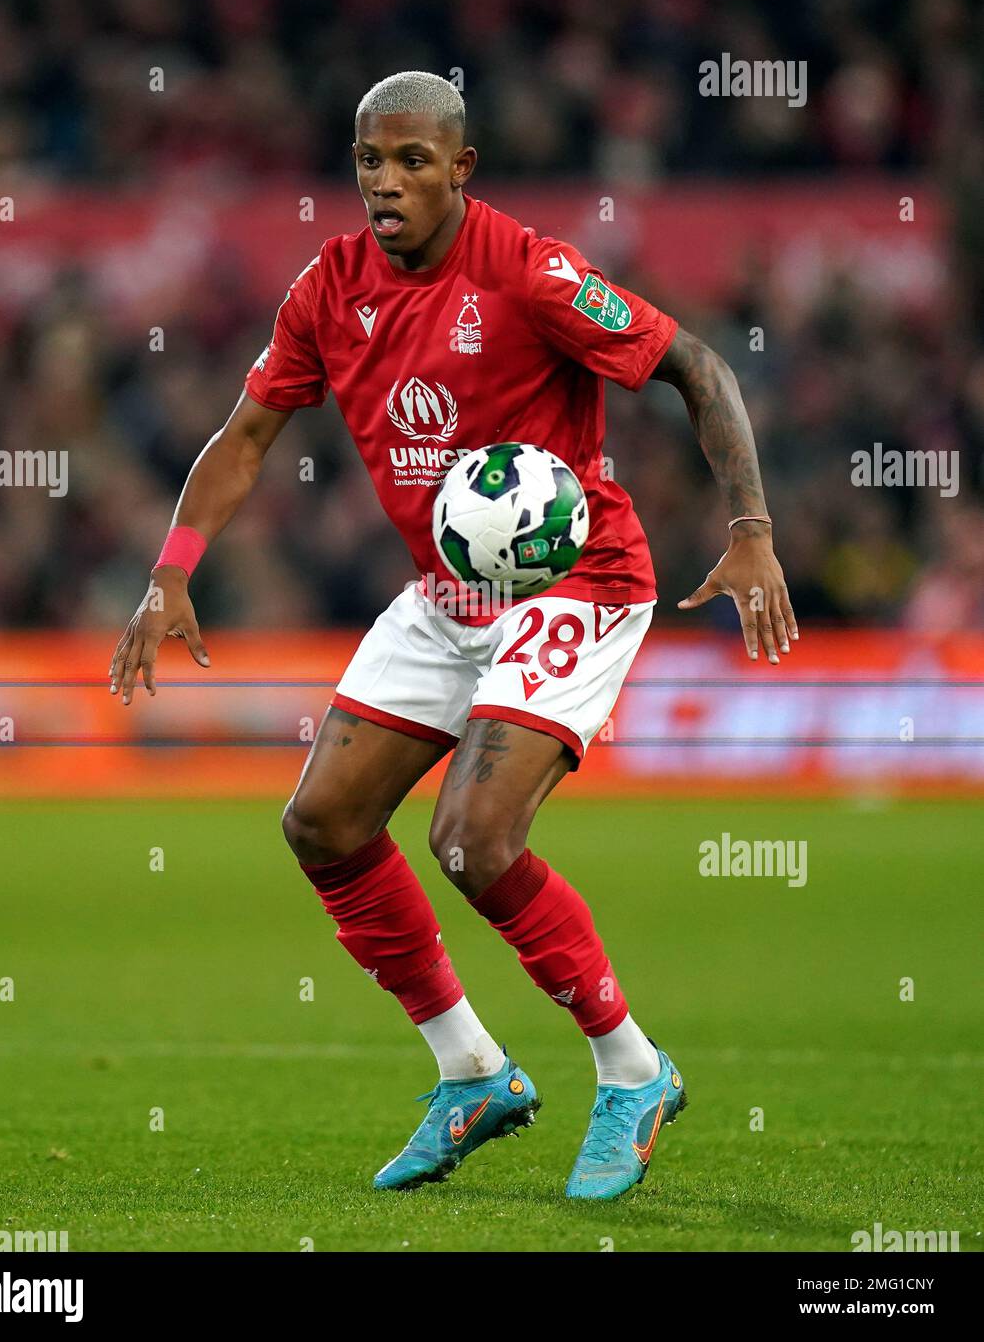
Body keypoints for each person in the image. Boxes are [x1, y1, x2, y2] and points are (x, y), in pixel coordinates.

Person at [109, 71, 798, 1201]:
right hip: (448, 591)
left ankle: (631, 1069)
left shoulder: (528, 272)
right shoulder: (328, 288)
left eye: (412, 161)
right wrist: (170, 574)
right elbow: (241, 439)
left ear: (459, 169)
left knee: (471, 836)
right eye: (369, 160)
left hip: (577, 582)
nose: (385, 182)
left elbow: (696, 366)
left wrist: (752, 530)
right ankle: (469, 1069)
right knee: (322, 823)